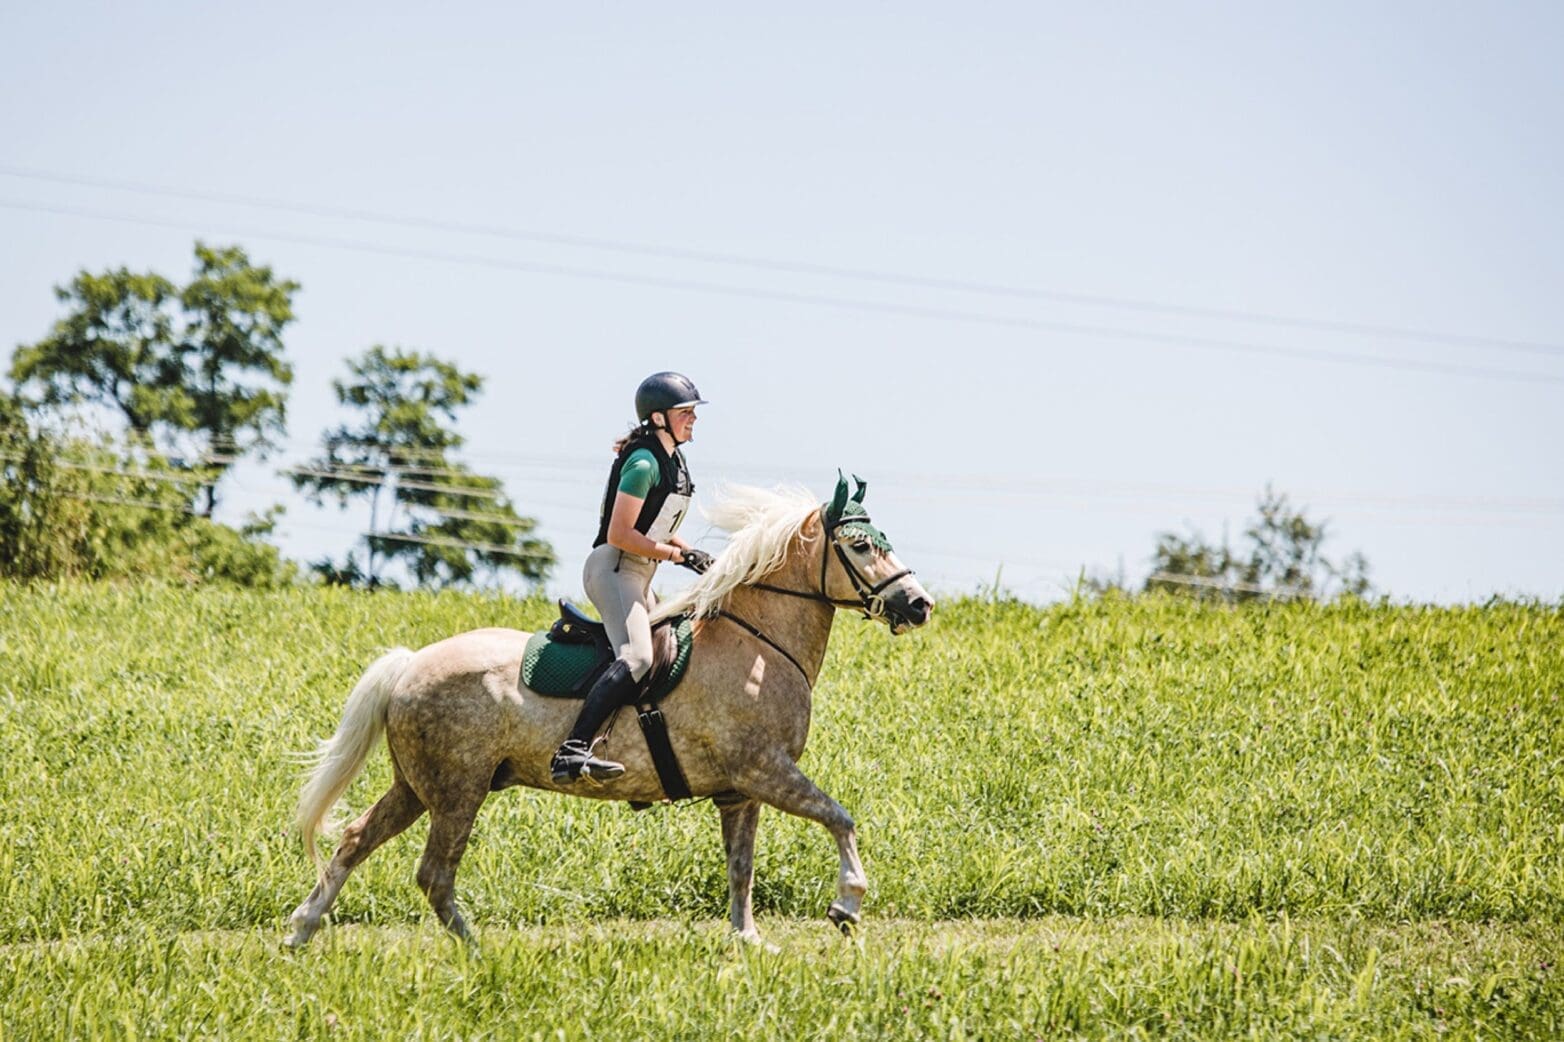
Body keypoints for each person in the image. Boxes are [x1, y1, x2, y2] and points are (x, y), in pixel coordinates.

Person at [550, 371, 715, 783]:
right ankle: (571, 751)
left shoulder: (672, 460)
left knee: (668, 651)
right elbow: (621, 533)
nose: (693, 418)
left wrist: (688, 549)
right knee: (640, 656)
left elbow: (654, 523)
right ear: (658, 418)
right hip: (616, 567)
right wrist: (676, 555)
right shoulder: (643, 462)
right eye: (685, 412)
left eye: (693, 411)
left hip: (638, 572)